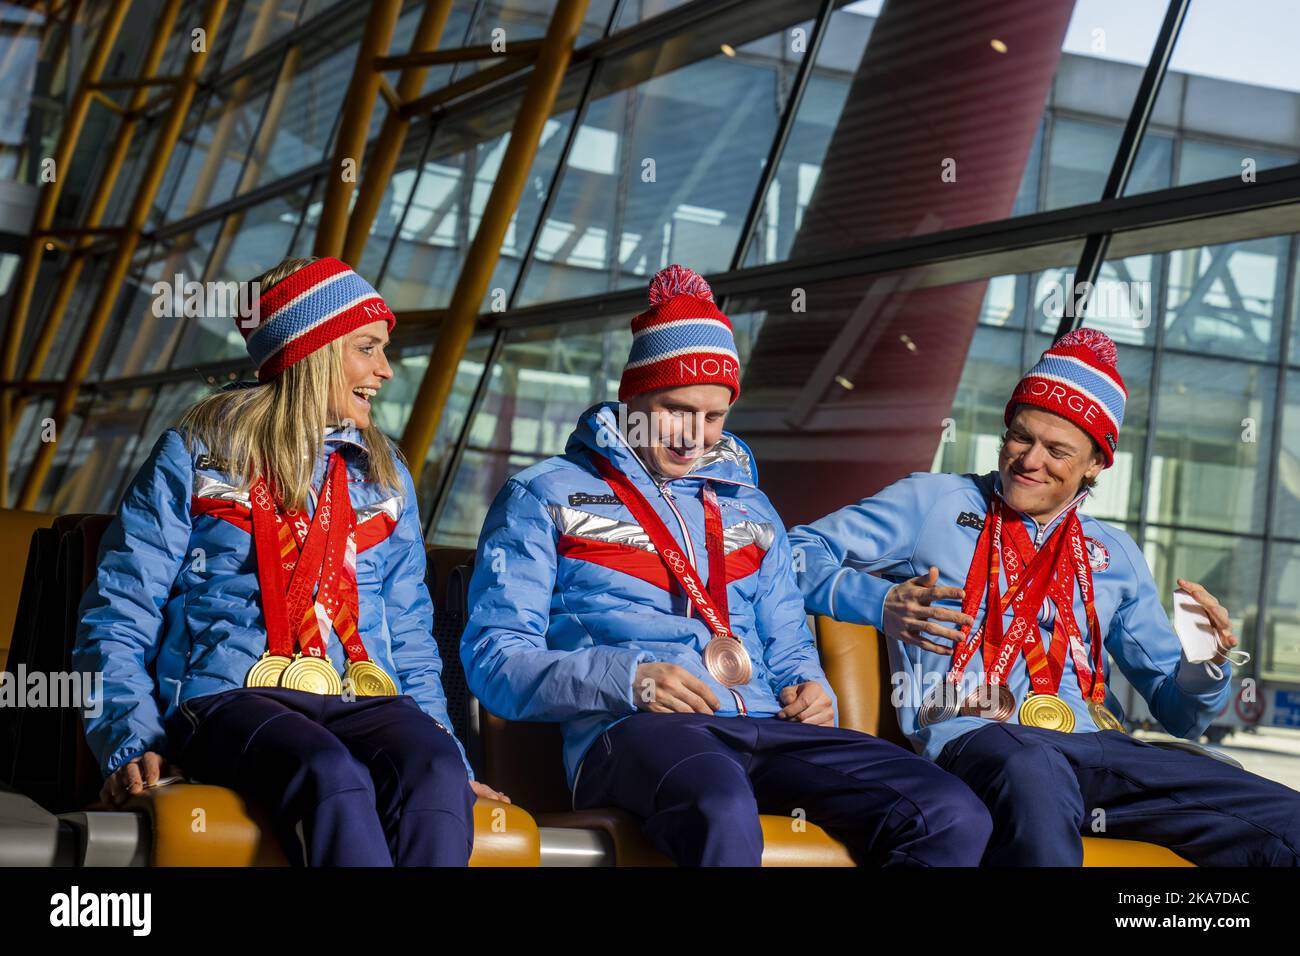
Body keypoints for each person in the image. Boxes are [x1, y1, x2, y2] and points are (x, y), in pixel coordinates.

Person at [460, 264, 991, 866]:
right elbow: (494, 661)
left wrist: (813, 692)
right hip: (635, 731)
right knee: (719, 807)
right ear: (632, 396)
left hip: (766, 725)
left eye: (713, 418)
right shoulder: (543, 495)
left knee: (947, 811)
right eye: (676, 410)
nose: (693, 437)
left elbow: (789, 649)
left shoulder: (751, 508)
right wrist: (629, 678)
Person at [790, 327, 1300, 866]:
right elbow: (793, 553)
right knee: (1032, 767)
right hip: (982, 737)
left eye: (1057, 450)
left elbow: (1180, 715)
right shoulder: (933, 501)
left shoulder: (1114, 553)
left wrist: (1205, 663)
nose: (1030, 460)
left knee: (1285, 820)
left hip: (1098, 750)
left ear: (1096, 464)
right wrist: (878, 602)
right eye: (1020, 437)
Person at [74, 256, 506, 867]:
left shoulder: (385, 476)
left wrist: (454, 757)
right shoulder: (196, 454)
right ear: (314, 352)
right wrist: (130, 740)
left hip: (363, 697)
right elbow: (119, 611)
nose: (384, 371)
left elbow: (409, 635)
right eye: (367, 349)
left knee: (433, 775)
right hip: (224, 699)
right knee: (329, 774)